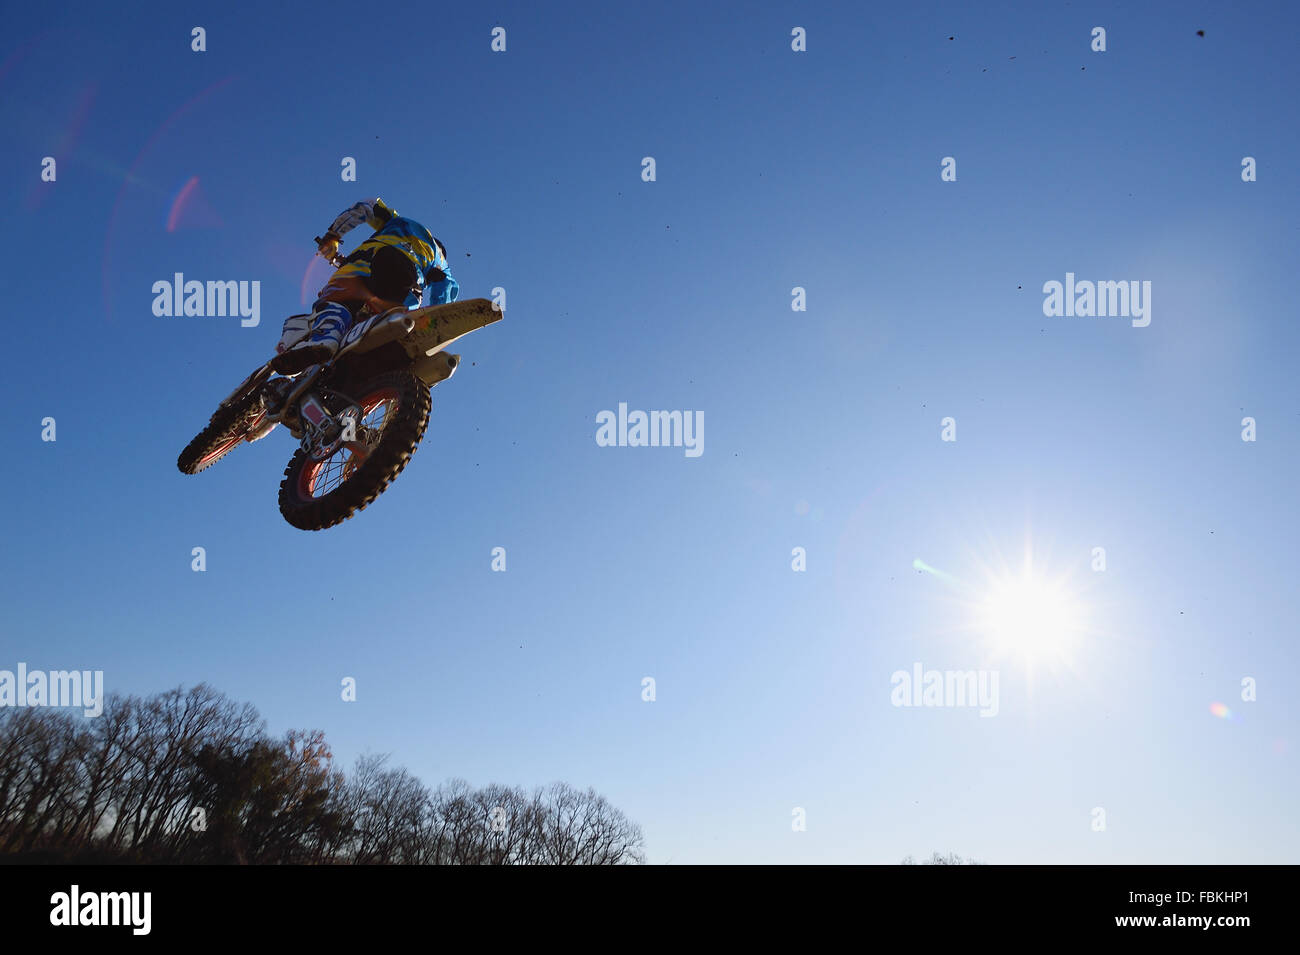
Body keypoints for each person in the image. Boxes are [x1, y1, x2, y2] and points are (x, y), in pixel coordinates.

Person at [272, 198, 459, 375]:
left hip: (373, 265)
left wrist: (334, 234)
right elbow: (444, 299)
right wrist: (430, 322)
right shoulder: (441, 262)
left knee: (337, 301)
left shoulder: (403, 224)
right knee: (381, 339)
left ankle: (326, 337)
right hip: (402, 299)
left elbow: (368, 206)